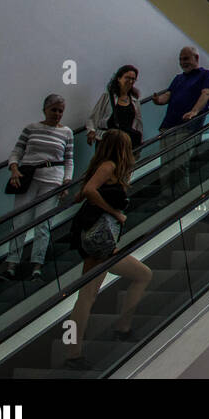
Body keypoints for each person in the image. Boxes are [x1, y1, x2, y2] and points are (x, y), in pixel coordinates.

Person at [63, 131, 152, 370]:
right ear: (121, 147)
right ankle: (78, 350)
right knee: (89, 295)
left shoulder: (104, 167)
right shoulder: (109, 165)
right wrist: (114, 213)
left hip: (99, 238)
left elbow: (83, 193)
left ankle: (80, 347)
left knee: (88, 294)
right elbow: (90, 191)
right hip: (99, 240)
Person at [0, 94, 74, 282]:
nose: (57, 114)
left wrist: (67, 181)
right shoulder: (31, 128)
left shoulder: (67, 132)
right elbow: (17, 152)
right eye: (53, 109)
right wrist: (14, 170)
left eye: (60, 111)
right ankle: (12, 264)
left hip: (52, 179)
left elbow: (69, 159)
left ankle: (37, 265)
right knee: (20, 221)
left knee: (43, 225)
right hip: (28, 176)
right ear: (45, 109)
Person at [150, 47, 209, 190]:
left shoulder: (206, 75)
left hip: (187, 128)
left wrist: (194, 111)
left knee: (179, 166)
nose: (182, 62)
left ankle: (180, 201)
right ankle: (166, 197)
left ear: (196, 58)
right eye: (180, 59)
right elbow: (168, 95)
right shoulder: (178, 78)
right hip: (168, 126)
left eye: (186, 59)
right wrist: (158, 100)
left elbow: (206, 94)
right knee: (166, 166)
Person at [87, 65, 144, 153]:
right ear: (119, 78)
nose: (130, 81)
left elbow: (138, 123)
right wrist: (91, 131)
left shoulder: (134, 101)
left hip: (125, 142)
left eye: (133, 79)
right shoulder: (108, 97)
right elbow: (94, 115)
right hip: (107, 141)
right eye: (127, 78)